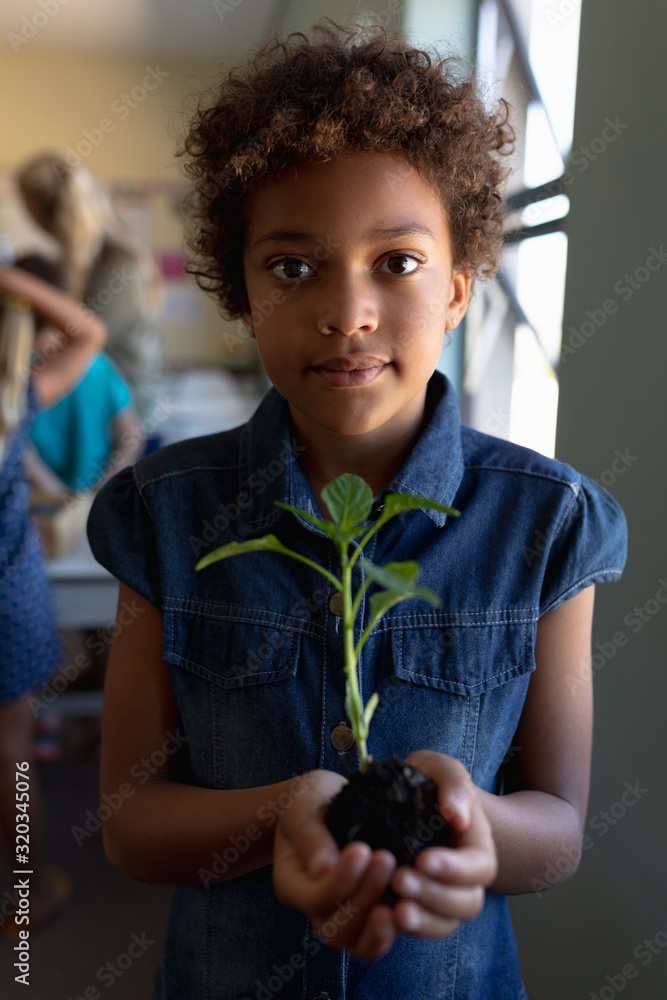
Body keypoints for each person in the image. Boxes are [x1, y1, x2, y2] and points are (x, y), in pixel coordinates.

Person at [86, 21, 627, 1000]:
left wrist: (471, 826)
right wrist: (288, 811)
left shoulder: (549, 527)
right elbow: (130, 821)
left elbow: (556, 829)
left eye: (398, 263)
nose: (348, 312)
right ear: (242, 296)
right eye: (292, 266)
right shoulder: (162, 515)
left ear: (461, 286)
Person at [0, 262, 105, 932]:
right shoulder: (16, 396)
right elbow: (86, 330)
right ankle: (27, 892)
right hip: (9, 595)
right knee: (12, 754)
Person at [16, 154, 163, 430]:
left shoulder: (117, 268)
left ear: (38, 212)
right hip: (99, 417)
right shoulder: (80, 263)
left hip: (124, 424)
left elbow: (81, 345)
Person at [13, 254, 144, 497]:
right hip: (92, 505)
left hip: (42, 505)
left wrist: (59, 497)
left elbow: (20, 451)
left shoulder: (16, 377)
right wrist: (100, 492)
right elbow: (131, 437)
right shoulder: (98, 364)